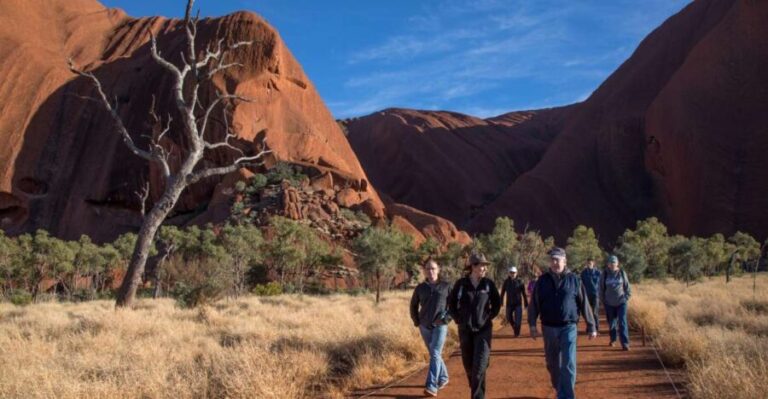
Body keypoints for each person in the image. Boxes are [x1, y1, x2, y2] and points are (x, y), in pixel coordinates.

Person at [528, 247, 597, 399]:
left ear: (565, 261)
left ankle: (566, 395)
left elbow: (584, 302)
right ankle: (560, 389)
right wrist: (532, 324)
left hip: (569, 327)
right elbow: (534, 304)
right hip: (548, 327)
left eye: (557, 259)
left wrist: (591, 325)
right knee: (553, 364)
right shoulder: (542, 281)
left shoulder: (574, 280)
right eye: (552, 259)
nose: (554, 262)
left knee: (568, 363)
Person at [448, 253, 501, 399]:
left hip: (483, 330)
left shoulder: (488, 284)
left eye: (485, 265)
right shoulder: (461, 284)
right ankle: (475, 382)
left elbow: (497, 303)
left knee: (479, 367)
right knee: (469, 366)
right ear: (473, 267)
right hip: (465, 330)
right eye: (481, 265)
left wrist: (488, 317)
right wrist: (458, 319)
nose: (484, 268)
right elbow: (451, 303)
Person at [410, 258, 452, 397]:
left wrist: (446, 319)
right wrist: (417, 322)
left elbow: (454, 306)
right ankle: (444, 377)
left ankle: (431, 386)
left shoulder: (446, 286)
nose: (431, 271)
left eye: (433, 268)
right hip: (425, 326)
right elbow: (413, 305)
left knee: (434, 353)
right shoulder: (420, 288)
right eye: (428, 269)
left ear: (438, 270)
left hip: (440, 325)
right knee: (435, 354)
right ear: (424, 271)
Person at [600, 255, 631, 351]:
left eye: (614, 263)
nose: (613, 264)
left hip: (621, 302)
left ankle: (625, 343)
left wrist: (626, 297)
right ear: (608, 264)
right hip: (609, 303)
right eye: (611, 263)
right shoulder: (604, 274)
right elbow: (601, 289)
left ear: (617, 264)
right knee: (612, 323)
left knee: (622, 322)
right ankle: (613, 339)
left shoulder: (622, 273)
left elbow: (627, 287)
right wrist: (603, 300)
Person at [500, 266, 528, 337]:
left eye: (514, 272)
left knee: (518, 320)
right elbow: (502, 292)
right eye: (511, 272)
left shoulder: (520, 281)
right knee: (509, 317)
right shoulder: (506, 282)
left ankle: (517, 333)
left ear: (516, 273)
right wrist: (501, 302)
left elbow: (524, 293)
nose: (512, 274)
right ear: (509, 273)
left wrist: (526, 303)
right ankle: (515, 328)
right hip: (509, 304)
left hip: (518, 304)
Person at [580, 258, 601, 331]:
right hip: (586, 295)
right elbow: (581, 284)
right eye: (588, 263)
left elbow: (601, 284)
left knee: (595, 312)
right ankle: (589, 327)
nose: (589, 265)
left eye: (590, 263)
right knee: (587, 312)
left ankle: (596, 327)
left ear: (593, 263)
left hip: (595, 295)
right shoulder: (583, 273)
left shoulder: (598, 273)